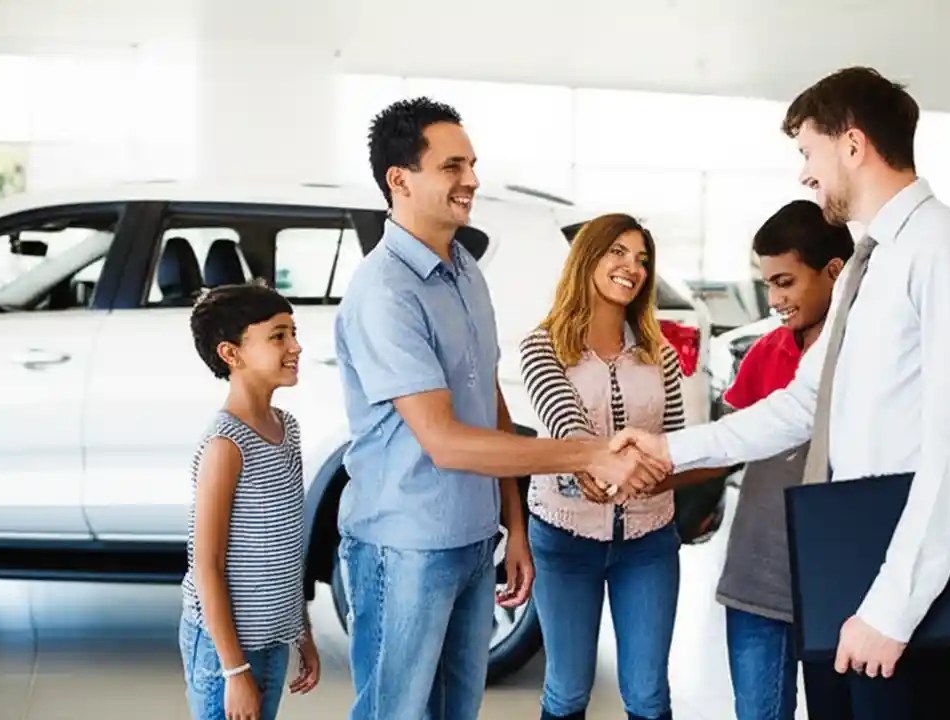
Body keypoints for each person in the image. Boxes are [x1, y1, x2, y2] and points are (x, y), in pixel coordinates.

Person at [612, 66, 950, 720]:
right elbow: (804, 405)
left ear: (853, 145)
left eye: (808, 151)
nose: (804, 173)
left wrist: (892, 608)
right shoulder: (872, 263)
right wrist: (668, 448)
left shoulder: (946, 251)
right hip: (850, 571)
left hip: (908, 593)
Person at [333, 97, 666, 720]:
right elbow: (447, 441)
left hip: (471, 540)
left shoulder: (463, 270)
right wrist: (592, 450)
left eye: (473, 163)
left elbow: (488, 398)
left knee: (457, 711)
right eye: (452, 165)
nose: (473, 180)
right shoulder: (385, 292)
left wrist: (513, 519)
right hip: (405, 548)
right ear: (399, 180)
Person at [518, 213, 714, 720]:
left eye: (643, 259)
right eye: (618, 252)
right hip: (564, 540)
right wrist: (606, 464)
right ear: (588, 257)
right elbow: (568, 426)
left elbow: (673, 444)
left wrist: (649, 469)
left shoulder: (660, 356)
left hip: (648, 542)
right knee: (567, 690)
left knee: (648, 694)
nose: (633, 267)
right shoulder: (542, 347)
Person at [717, 200, 853, 720]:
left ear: (834, 272)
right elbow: (729, 445)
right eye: (767, 283)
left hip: (839, 586)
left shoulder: (870, 354)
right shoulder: (765, 352)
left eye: (785, 283)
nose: (773, 299)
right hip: (758, 580)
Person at [179, 283, 322, 720]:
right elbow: (208, 565)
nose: (295, 346)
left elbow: (285, 547)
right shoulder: (226, 444)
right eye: (278, 336)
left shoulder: (287, 429)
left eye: (293, 333)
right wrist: (234, 670)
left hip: (273, 637)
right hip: (226, 650)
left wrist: (302, 630)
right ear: (231, 353)